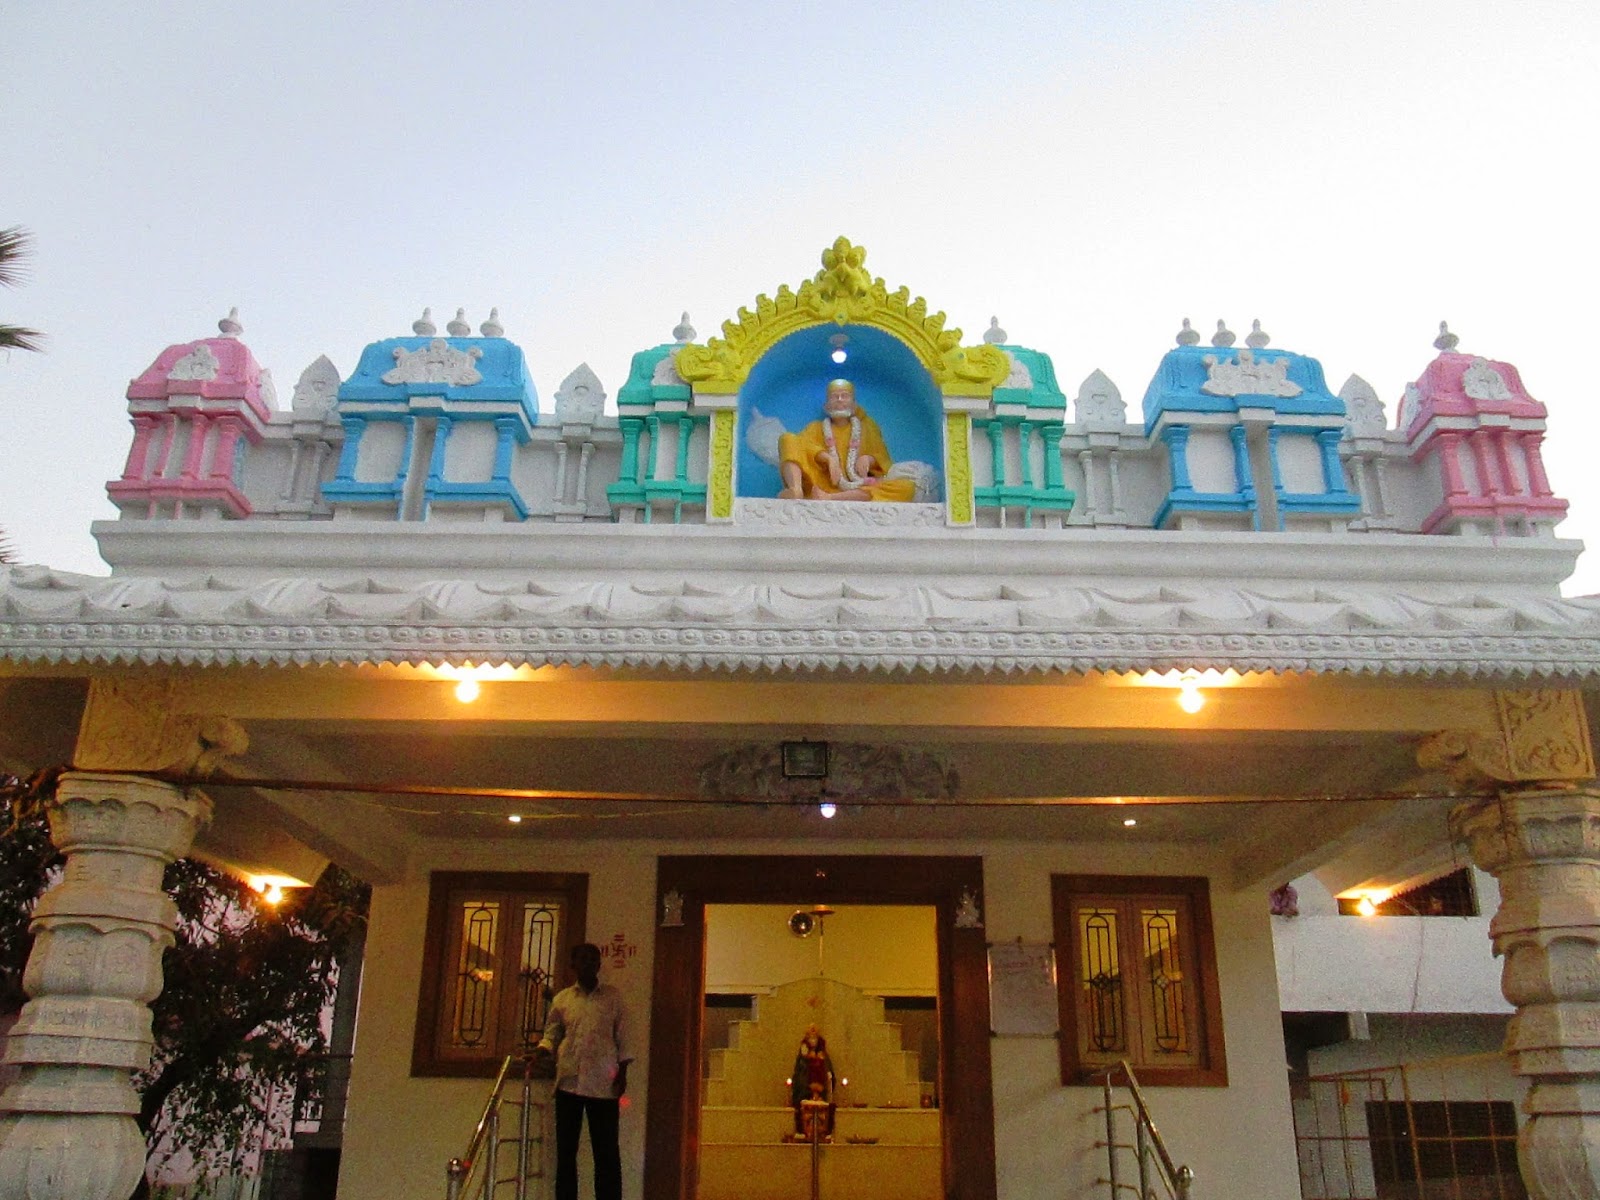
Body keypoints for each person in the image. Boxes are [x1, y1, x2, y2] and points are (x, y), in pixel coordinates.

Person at [534, 943, 632, 1200]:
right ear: (573, 965)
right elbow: (552, 1033)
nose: (588, 963)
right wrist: (542, 1050)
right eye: (583, 959)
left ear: (599, 965)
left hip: (603, 1085)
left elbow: (624, 1038)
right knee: (566, 1153)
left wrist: (622, 1074)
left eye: (593, 959)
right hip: (569, 1084)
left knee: (606, 1153)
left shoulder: (613, 998)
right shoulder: (563, 999)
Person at [777, 379, 916, 502]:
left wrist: (869, 459)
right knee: (787, 439)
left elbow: (884, 459)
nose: (840, 400)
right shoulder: (816, 427)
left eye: (845, 396)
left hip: (859, 487)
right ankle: (795, 490)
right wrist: (828, 458)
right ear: (826, 406)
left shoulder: (867, 427)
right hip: (821, 485)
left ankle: (830, 498)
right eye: (834, 397)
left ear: (854, 405)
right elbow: (803, 446)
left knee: (906, 487)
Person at [789, 1024, 836, 1139]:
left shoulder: (823, 1055)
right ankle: (803, 1132)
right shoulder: (803, 1056)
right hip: (806, 1092)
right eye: (810, 1036)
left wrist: (823, 1086)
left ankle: (823, 1133)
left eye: (815, 1037)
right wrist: (808, 1087)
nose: (813, 1040)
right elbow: (800, 1074)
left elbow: (828, 1072)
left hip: (821, 1092)